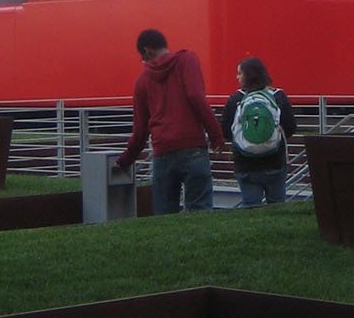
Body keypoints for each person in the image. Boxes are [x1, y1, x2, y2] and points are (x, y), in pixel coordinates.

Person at [114, 29, 223, 214]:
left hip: (162, 152)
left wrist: (125, 160)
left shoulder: (142, 81)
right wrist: (216, 135)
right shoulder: (188, 60)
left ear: (147, 51)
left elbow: (140, 131)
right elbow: (196, 96)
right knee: (201, 210)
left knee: (164, 214)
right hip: (193, 148)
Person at [219, 55, 298, 208]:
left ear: (247, 75)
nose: (237, 77)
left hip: (245, 164)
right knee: (277, 206)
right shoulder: (278, 96)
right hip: (275, 162)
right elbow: (290, 127)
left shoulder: (236, 99)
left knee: (250, 207)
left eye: (239, 73)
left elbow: (226, 131)